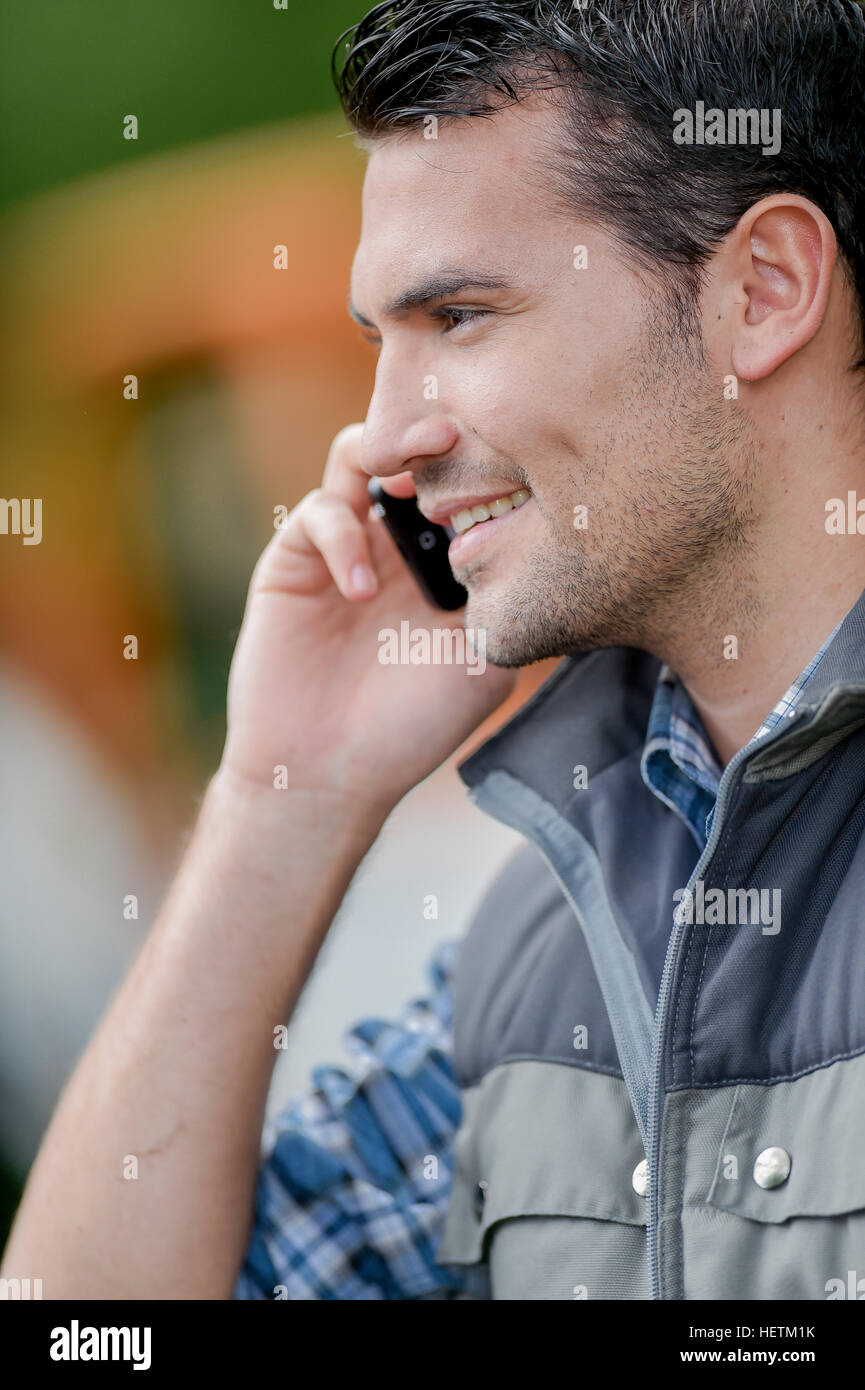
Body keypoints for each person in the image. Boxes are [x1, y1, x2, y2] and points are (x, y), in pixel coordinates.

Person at [4, 0, 865, 1301]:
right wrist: (279, 798)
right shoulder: (542, 948)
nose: (377, 438)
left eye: (457, 317)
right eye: (374, 346)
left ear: (761, 291)